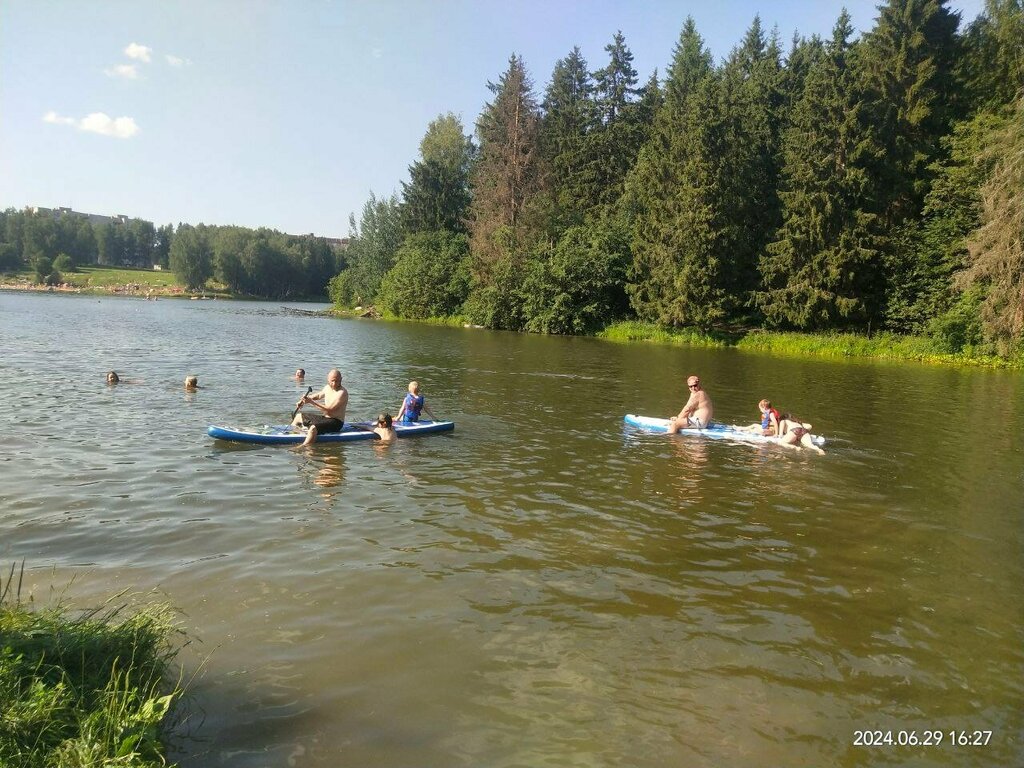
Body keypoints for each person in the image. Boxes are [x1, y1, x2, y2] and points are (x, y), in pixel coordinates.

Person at [291, 368, 349, 446]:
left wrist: (311, 402)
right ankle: (292, 434)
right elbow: (318, 395)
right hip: (325, 418)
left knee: (313, 428)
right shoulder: (327, 388)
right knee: (298, 417)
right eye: (332, 381)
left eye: (337, 381)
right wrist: (305, 400)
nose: (334, 383)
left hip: (336, 422)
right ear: (328, 380)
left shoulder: (342, 393)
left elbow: (329, 409)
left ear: (341, 379)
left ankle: (303, 447)